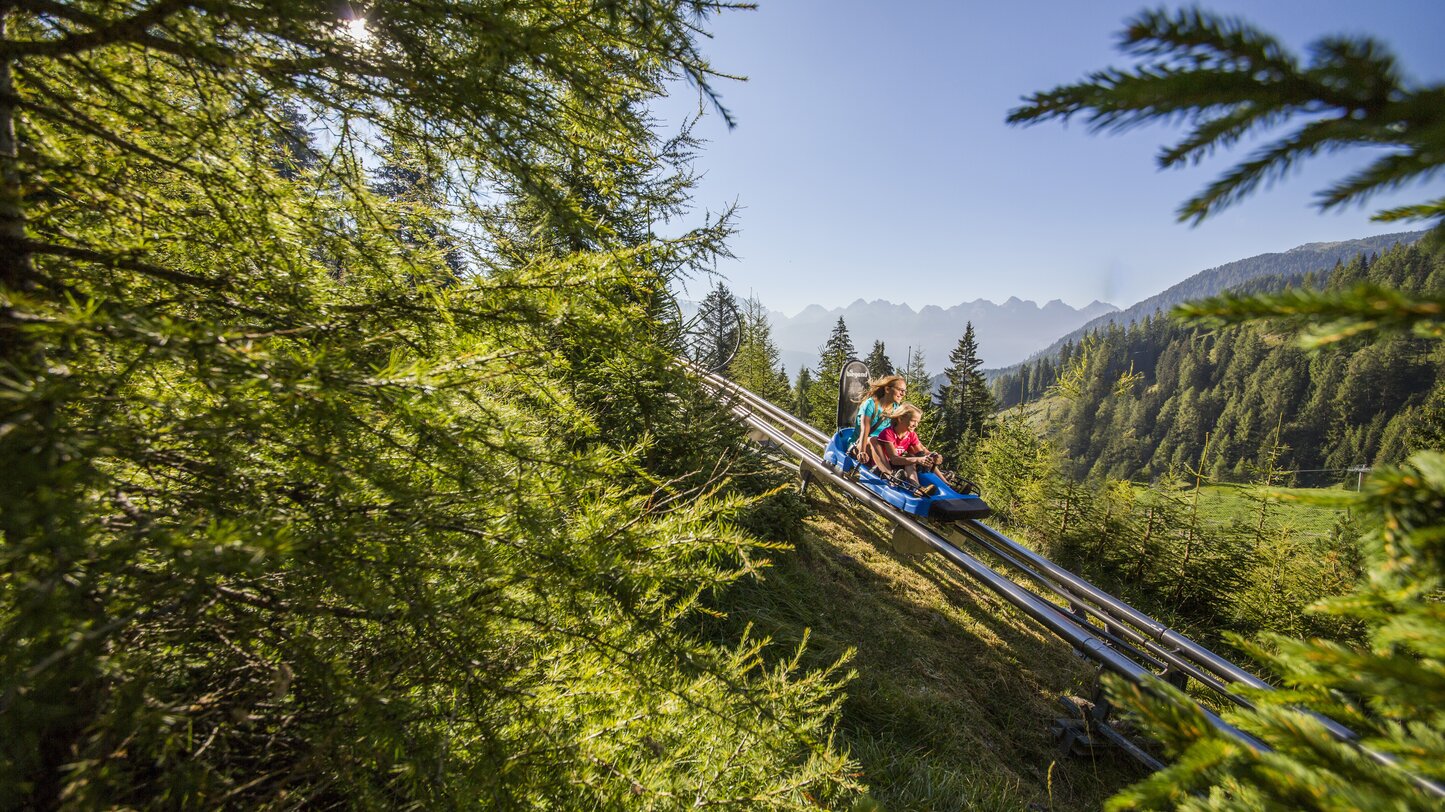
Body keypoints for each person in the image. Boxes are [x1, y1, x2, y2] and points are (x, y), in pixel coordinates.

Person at [875, 404, 940, 496]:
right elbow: (894, 459)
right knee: (911, 460)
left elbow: (922, 452)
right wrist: (917, 459)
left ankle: (922, 488)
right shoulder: (888, 433)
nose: (916, 425)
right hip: (884, 468)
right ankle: (917, 488)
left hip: (897, 466)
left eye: (918, 422)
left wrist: (933, 457)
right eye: (913, 421)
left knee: (911, 459)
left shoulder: (911, 435)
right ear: (900, 419)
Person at [852, 374, 906, 468]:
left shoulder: (896, 408)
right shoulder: (871, 404)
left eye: (904, 391)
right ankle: (889, 474)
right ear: (887, 389)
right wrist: (862, 452)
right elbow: (865, 431)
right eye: (900, 390)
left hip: (883, 446)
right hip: (862, 444)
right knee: (874, 440)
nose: (903, 394)